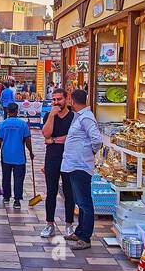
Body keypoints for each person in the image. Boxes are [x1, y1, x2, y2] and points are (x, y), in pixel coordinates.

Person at [60, 88, 103, 250]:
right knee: (79, 200)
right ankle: (80, 231)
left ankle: (86, 237)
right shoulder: (80, 116)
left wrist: (90, 151)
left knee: (84, 202)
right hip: (73, 164)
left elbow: (97, 139)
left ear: (71, 100)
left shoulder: (86, 118)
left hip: (81, 165)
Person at [39, 88, 76, 239]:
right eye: (53, 99)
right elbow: (45, 133)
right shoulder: (50, 115)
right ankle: (49, 224)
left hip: (69, 158)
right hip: (52, 158)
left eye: (59, 99)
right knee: (51, 192)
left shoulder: (73, 117)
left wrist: (53, 140)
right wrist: (52, 116)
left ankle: (69, 225)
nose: (56, 102)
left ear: (67, 99)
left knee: (69, 192)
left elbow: (72, 137)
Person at [0, 103, 33, 208]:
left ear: (7, 111)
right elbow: (27, 140)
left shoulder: (2, 124)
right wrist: (30, 151)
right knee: (19, 179)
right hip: (19, 156)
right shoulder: (23, 124)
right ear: (17, 111)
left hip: (6, 155)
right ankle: (17, 200)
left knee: (6, 177)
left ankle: (6, 197)